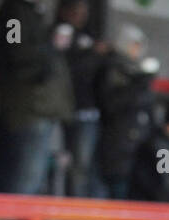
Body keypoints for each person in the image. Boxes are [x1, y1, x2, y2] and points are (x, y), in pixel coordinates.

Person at [0, 0, 74, 194]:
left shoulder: (31, 14)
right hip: (29, 109)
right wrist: (50, 52)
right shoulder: (14, 15)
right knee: (24, 182)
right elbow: (16, 53)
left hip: (37, 108)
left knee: (31, 179)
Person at [95, 23, 157, 199]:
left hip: (136, 152)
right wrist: (139, 84)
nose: (137, 49)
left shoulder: (137, 73)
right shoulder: (112, 69)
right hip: (118, 150)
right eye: (133, 44)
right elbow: (112, 104)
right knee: (119, 198)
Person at [56, 0, 107, 197]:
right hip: (70, 110)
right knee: (76, 165)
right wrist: (93, 54)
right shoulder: (61, 34)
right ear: (65, 11)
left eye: (83, 11)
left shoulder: (90, 36)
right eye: (76, 11)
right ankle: (73, 209)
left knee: (88, 166)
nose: (81, 15)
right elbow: (66, 67)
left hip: (92, 111)